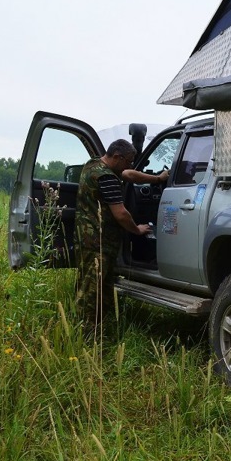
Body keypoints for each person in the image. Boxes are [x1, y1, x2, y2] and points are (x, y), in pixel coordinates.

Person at [74, 139, 169, 329]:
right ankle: (87, 334)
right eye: (129, 161)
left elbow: (128, 174)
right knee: (93, 291)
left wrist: (158, 179)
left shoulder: (93, 165)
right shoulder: (107, 178)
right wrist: (137, 229)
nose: (130, 165)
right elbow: (121, 214)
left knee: (93, 285)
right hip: (98, 243)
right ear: (117, 157)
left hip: (85, 239)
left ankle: (99, 331)